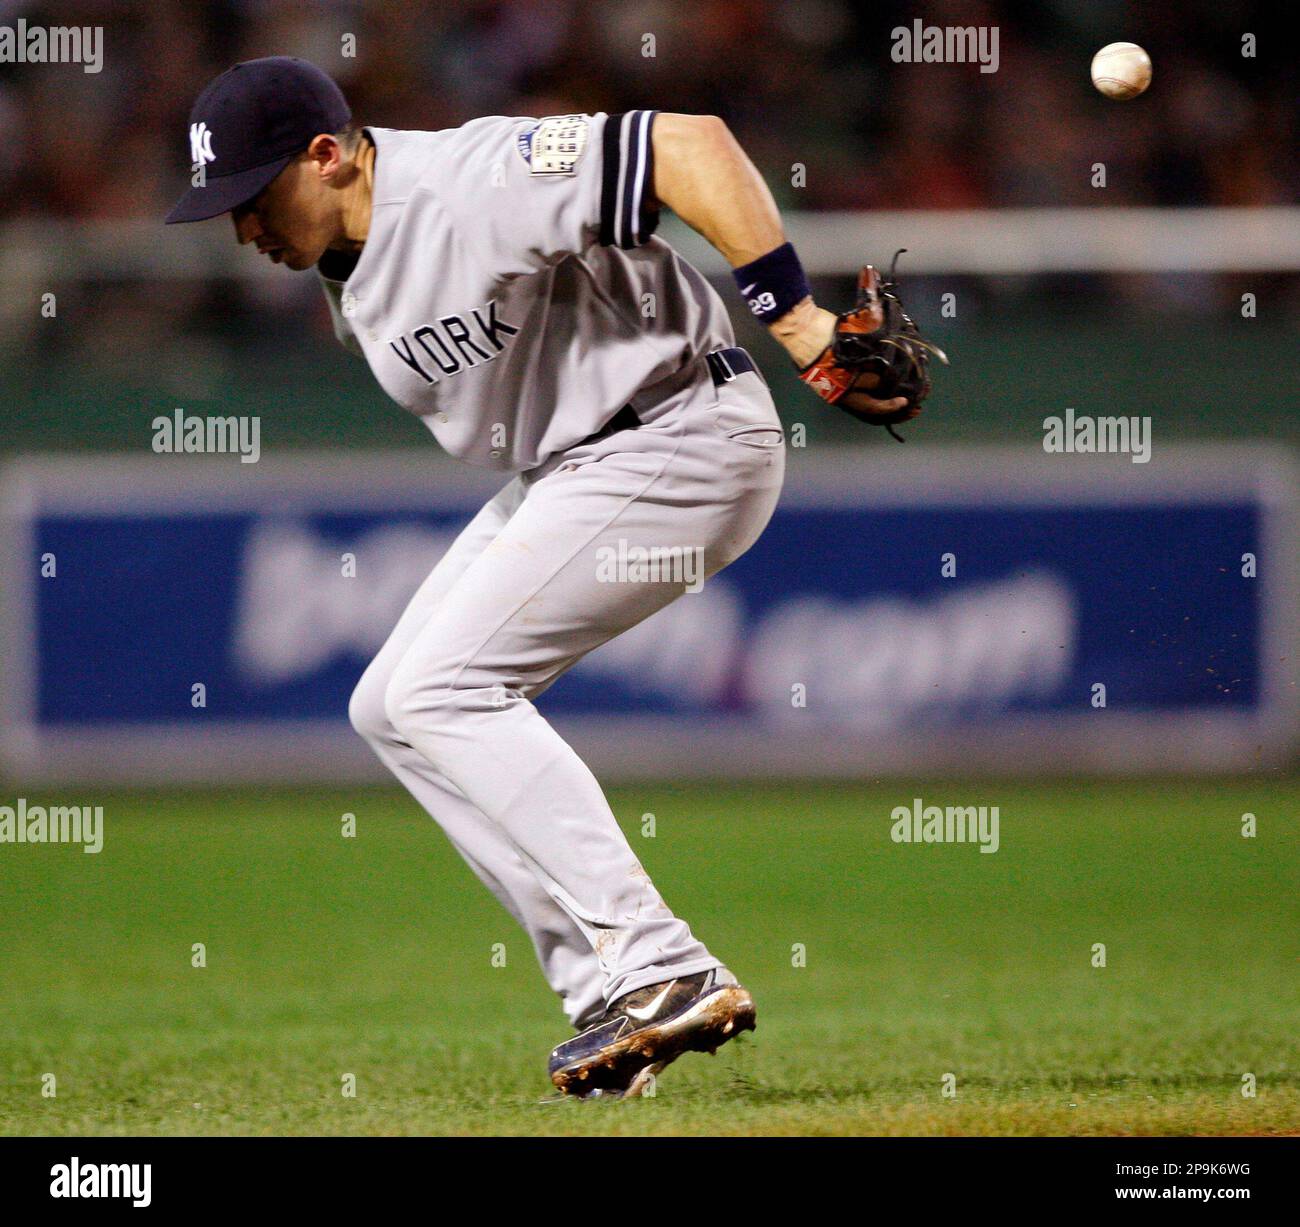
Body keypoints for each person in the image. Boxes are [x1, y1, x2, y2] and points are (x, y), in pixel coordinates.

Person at [165, 55, 918, 1099]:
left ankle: (658, 963)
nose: (242, 230)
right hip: (581, 461)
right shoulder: (349, 258)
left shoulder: (467, 179)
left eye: (250, 197)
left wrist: (797, 324)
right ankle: (612, 996)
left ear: (327, 156)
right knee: (387, 704)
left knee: (444, 688)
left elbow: (688, 144)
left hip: (679, 432)